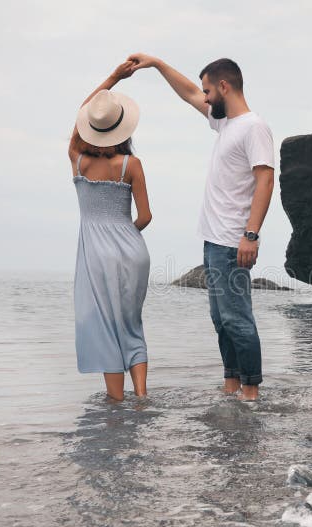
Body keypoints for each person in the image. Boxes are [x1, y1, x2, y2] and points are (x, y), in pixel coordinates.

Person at [127, 53, 275, 401]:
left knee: (237, 319)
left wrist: (250, 235)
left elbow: (266, 180)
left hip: (233, 241)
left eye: (210, 91)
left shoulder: (254, 127)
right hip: (213, 241)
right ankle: (231, 385)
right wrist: (157, 64)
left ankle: (251, 392)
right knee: (221, 320)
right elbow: (189, 93)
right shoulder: (226, 124)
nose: (205, 98)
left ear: (225, 86)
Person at [68, 61, 153, 401]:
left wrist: (114, 78)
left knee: (105, 328)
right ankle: (142, 398)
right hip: (133, 252)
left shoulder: (78, 161)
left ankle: (117, 406)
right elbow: (145, 216)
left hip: (96, 257)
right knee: (132, 325)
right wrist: (124, 235)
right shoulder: (131, 165)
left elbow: (79, 116)